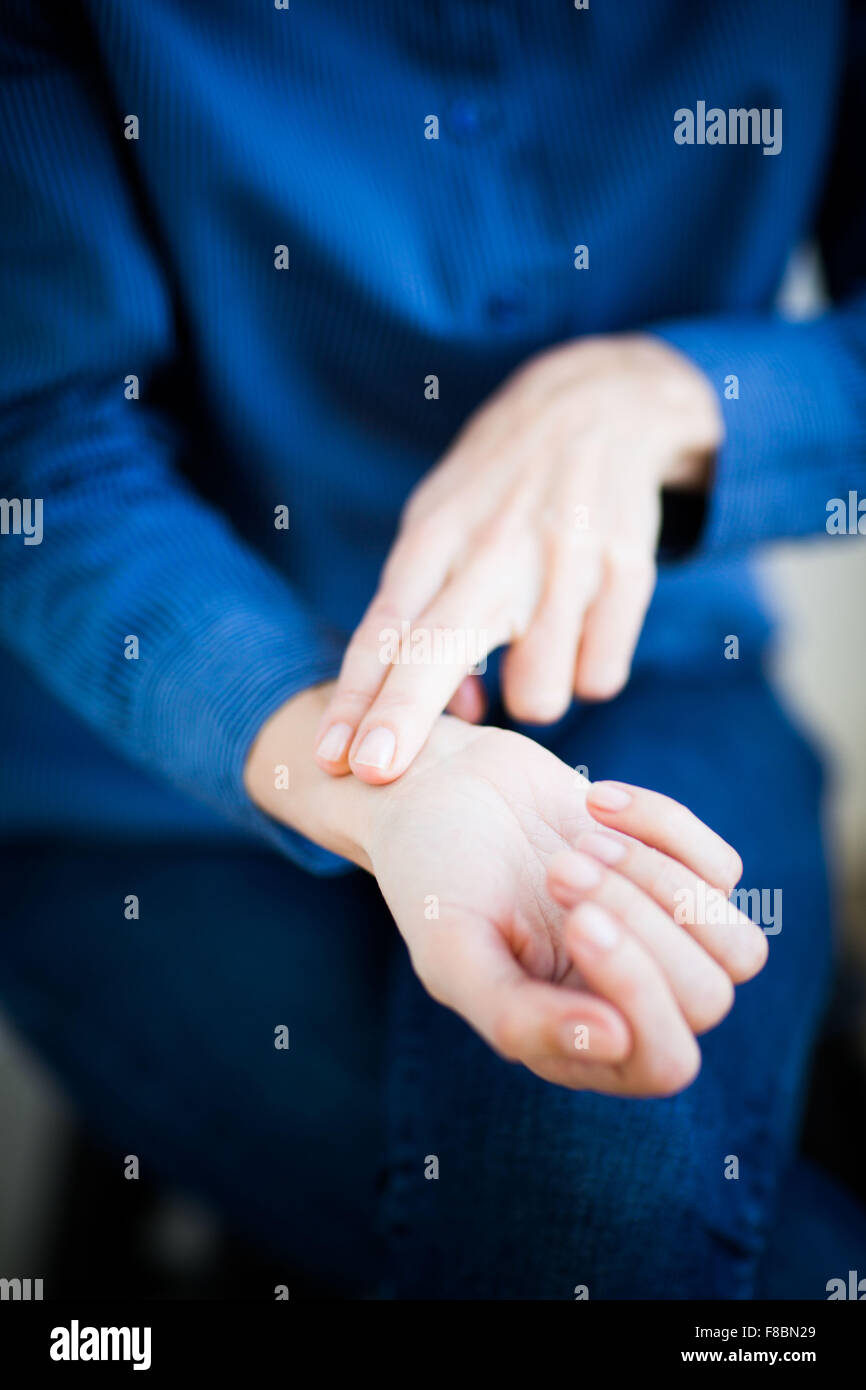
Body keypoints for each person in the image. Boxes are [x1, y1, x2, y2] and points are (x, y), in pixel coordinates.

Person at [0, 2, 863, 1298]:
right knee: (583, 1230)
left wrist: (675, 401)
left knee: (583, 1179)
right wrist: (339, 751)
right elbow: (37, 440)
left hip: (649, 665)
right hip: (135, 769)